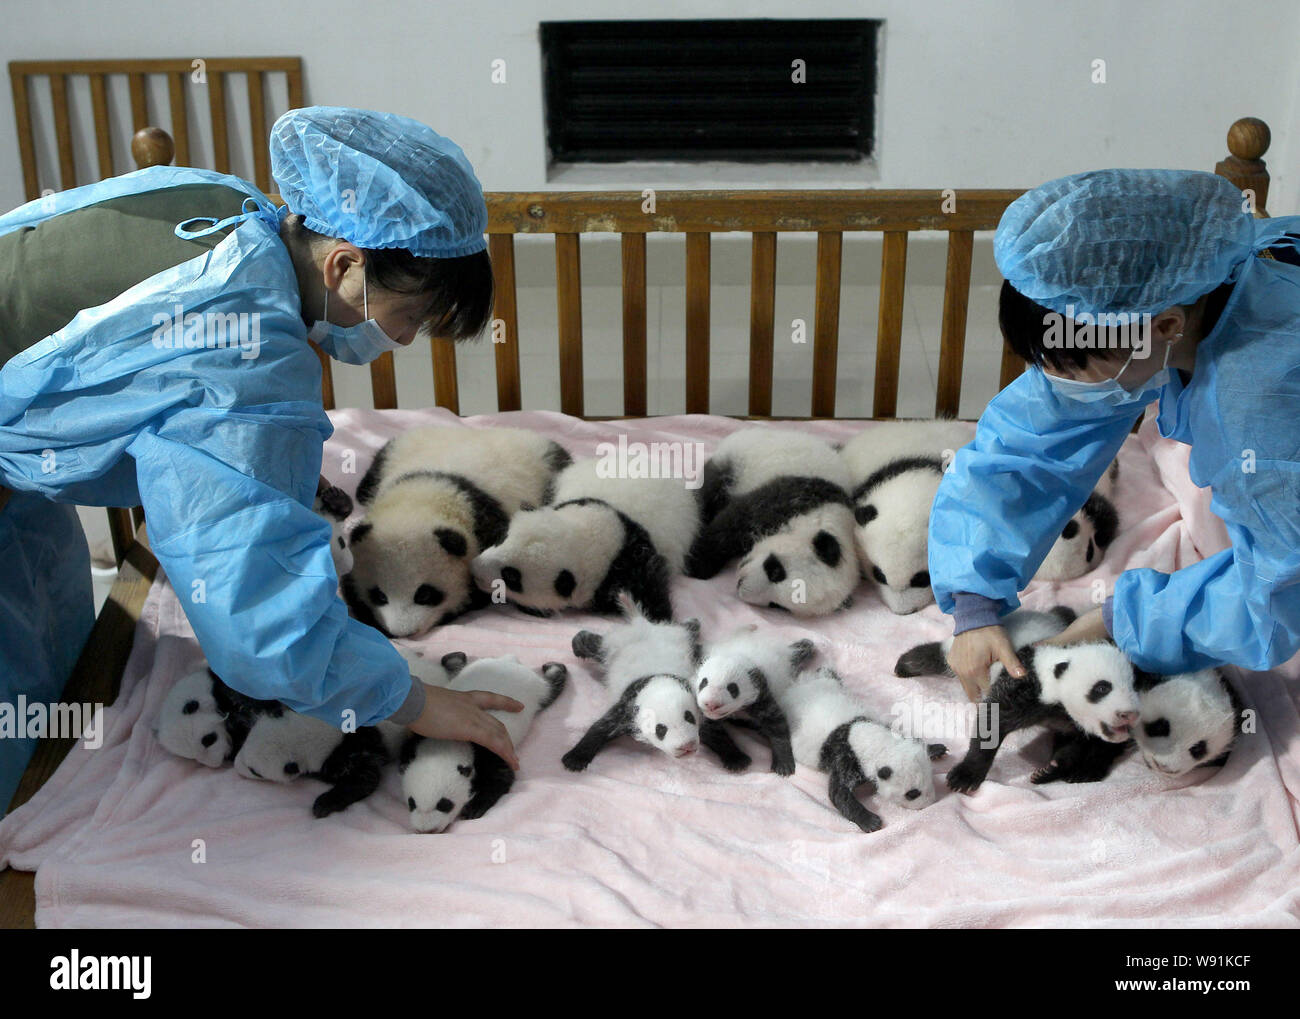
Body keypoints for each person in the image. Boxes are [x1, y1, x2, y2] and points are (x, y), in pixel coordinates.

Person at [0, 106, 521, 810]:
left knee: (46, 642)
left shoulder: (229, 205)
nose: (404, 338)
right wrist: (406, 697)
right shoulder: (245, 352)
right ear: (344, 265)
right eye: (413, 318)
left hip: (18, 475)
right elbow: (260, 620)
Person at [928, 168, 1300, 701]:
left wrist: (1122, 621)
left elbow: (1281, 586)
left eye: (1077, 365)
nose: (1060, 386)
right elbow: (1028, 444)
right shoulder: (1190, 286)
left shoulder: (1264, 411)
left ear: (1168, 326)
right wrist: (973, 601)